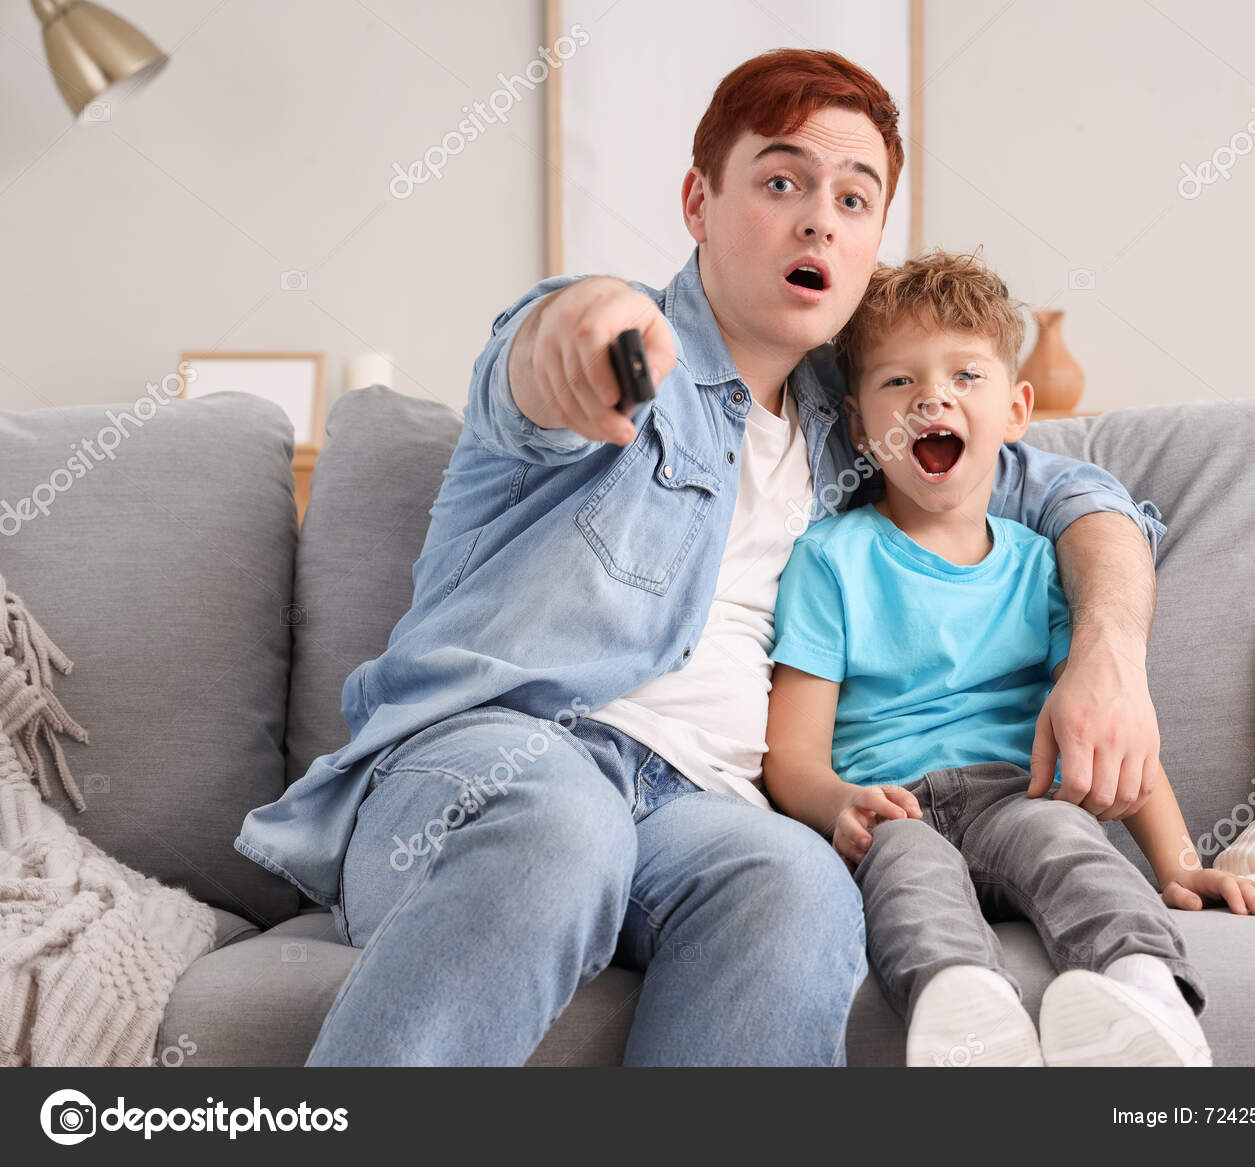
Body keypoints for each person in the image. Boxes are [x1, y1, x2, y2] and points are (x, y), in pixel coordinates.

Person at [234, 49, 1174, 1066]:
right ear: (698, 200)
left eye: (854, 200)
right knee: (565, 833)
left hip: (706, 811)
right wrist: (581, 333)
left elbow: (1074, 495)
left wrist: (1108, 653)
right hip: (498, 763)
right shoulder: (625, 358)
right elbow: (553, 351)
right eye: (782, 183)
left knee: (799, 888)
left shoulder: (862, 420)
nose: (820, 218)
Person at [764, 251, 1255, 1068]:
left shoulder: (1044, 566)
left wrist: (1183, 862)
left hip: (1021, 792)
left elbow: (1109, 726)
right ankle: (967, 1019)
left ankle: (1147, 999)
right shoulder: (830, 560)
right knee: (910, 877)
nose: (933, 396)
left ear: (1015, 410)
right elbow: (791, 751)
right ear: (861, 426)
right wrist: (840, 805)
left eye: (966, 374)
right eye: (899, 383)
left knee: (1072, 846)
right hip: (896, 808)